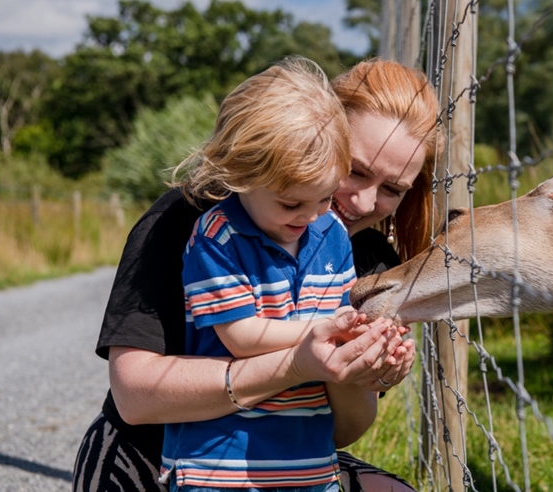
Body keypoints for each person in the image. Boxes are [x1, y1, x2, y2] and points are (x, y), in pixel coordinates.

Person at [72, 57, 440, 492]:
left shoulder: (368, 259)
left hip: (287, 458)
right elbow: (134, 399)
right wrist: (298, 361)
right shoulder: (189, 222)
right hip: (152, 448)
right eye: (356, 171)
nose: (362, 202)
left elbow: (344, 431)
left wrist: (358, 371)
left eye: (392, 189)